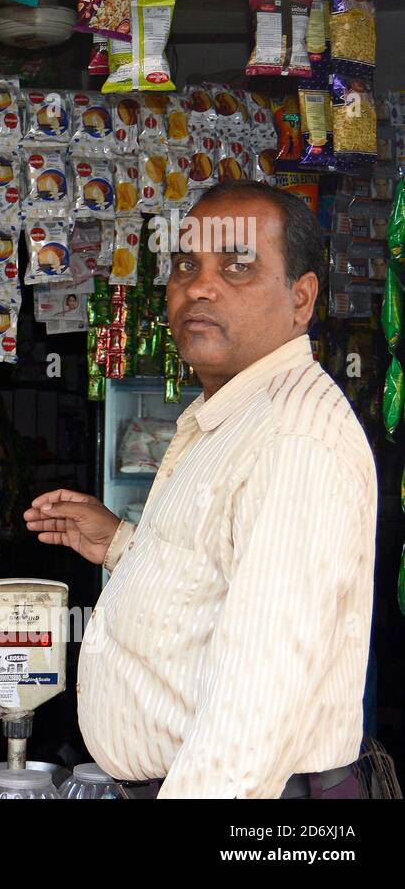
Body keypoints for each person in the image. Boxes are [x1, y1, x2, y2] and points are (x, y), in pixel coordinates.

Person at [24, 181, 374, 799]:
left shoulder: (293, 438)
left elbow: (258, 702)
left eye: (237, 267)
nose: (201, 287)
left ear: (301, 299)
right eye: (187, 265)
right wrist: (124, 545)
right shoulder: (236, 416)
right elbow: (218, 588)